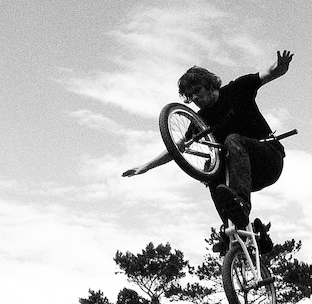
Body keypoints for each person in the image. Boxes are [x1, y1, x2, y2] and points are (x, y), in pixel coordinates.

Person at [123, 50, 294, 255]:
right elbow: (178, 148)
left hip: (268, 159)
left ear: (210, 85)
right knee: (210, 169)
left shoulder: (237, 89)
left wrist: (280, 68)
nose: (194, 97)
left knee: (232, 139)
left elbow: (267, 74)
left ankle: (241, 204)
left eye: (197, 90)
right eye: (190, 95)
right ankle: (235, 229)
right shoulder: (201, 119)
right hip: (244, 174)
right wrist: (147, 166)